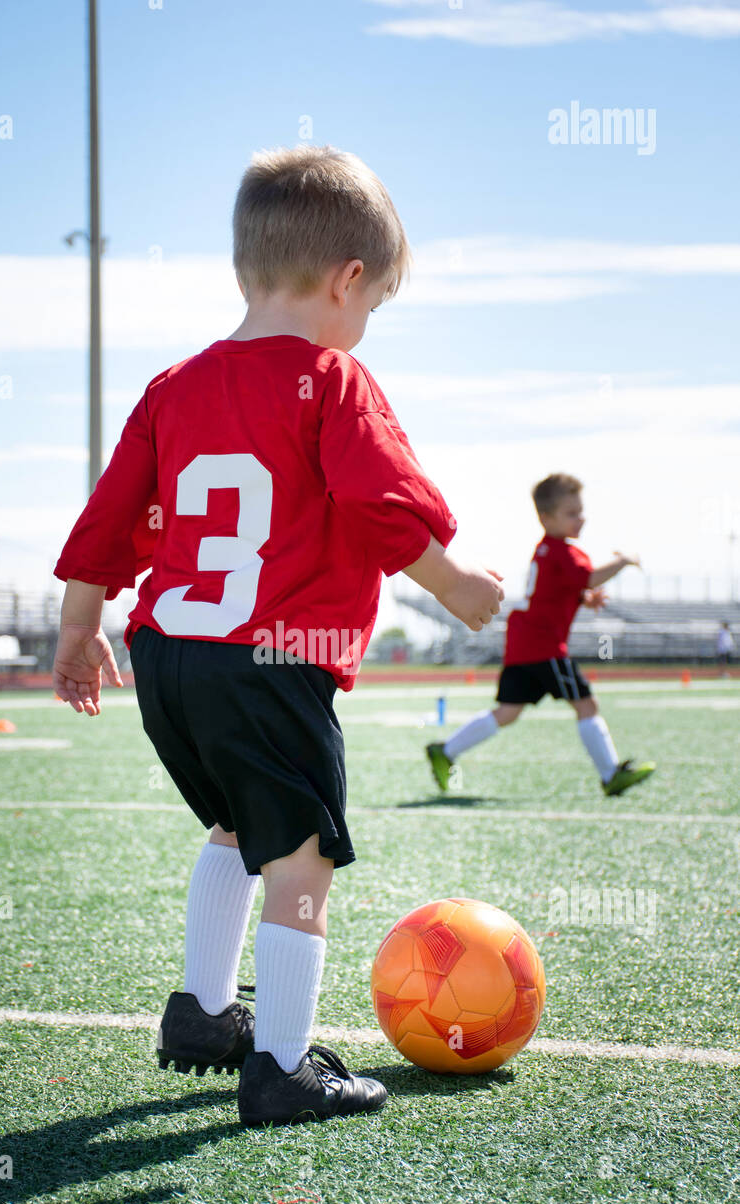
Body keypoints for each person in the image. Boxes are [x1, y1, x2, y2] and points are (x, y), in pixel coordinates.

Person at [52, 144, 503, 1126]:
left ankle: (205, 1015)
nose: (365, 330)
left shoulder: (174, 386)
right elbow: (378, 504)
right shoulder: (333, 383)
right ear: (348, 281)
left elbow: (106, 520)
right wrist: (455, 578)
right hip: (269, 660)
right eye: (373, 307)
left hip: (168, 657)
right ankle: (284, 1069)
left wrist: (78, 628)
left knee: (232, 827)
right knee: (300, 860)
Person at [426, 473, 655, 797]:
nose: (581, 518)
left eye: (580, 511)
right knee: (586, 704)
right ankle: (610, 775)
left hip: (524, 643)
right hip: (545, 646)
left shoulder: (547, 551)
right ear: (546, 517)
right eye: (571, 512)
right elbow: (587, 578)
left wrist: (585, 598)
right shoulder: (564, 552)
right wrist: (623, 561)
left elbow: (563, 590)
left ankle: (445, 750)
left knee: (508, 712)